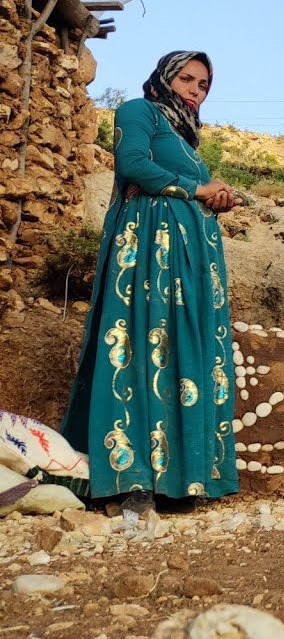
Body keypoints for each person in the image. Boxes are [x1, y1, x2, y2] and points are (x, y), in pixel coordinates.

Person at [62, 51, 243, 513]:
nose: (194, 90)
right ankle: (133, 477)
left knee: (184, 351)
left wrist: (215, 198)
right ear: (165, 76)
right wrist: (197, 188)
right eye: (186, 78)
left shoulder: (187, 138)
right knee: (143, 347)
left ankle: (182, 480)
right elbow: (134, 164)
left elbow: (184, 183)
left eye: (202, 85)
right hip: (147, 251)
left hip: (190, 255)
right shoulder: (137, 111)